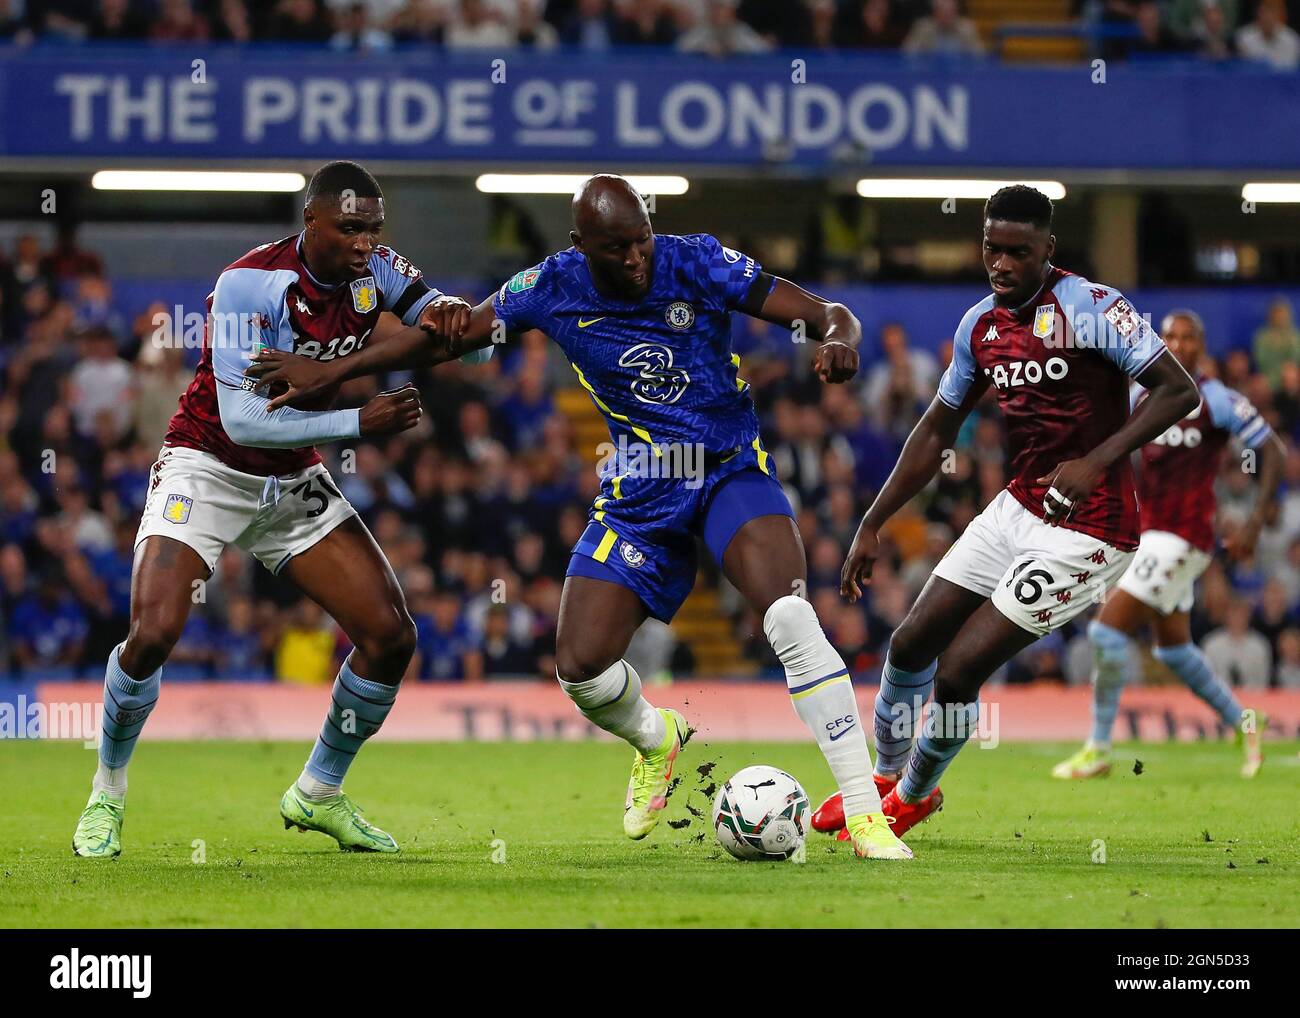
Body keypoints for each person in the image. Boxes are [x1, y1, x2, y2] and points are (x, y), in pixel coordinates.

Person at [247, 174, 915, 860]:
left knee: (790, 615)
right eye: (616, 248)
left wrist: (838, 336)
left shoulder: (694, 261)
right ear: (580, 247)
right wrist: (331, 373)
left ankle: (866, 817)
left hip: (727, 472)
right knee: (580, 669)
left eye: (641, 241)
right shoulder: (553, 285)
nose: (635, 259)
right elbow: (447, 341)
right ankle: (658, 739)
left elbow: (826, 311)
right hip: (642, 490)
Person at [70, 161, 445, 859]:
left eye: (373, 228)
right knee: (152, 633)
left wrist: (460, 318)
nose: (364, 242)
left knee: (391, 635)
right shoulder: (250, 284)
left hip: (289, 479)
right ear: (312, 221)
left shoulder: (378, 271)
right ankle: (106, 793)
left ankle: (318, 792)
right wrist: (360, 422)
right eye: (350, 227)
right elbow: (244, 423)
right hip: (207, 465)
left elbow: (447, 327)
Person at [810, 185, 1199, 840]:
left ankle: (914, 795)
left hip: (1092, 530)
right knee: (909, 644)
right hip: (1017, 505)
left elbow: (1176, 391)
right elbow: (936, 430)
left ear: (1048, 250)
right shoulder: (979, 327)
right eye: (993, 248)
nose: (1003, 265)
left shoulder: (1093, 306)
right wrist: (872, 521)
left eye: (1019, 252)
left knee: (960, 669)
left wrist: (1094, 461)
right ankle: (880, 776)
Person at [1053, 310, 1283, 781]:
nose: (1178, 344)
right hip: (1147, 535)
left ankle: (1098, 748)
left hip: (1183, 539)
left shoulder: (1214, 398)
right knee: (1174, 650)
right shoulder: (1144, 395)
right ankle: (1246, 723)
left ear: (1201, 346)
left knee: (1105, 631)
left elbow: (1272, 450)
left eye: (1188, 337)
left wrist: (1256, 520)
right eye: (1170, 336)